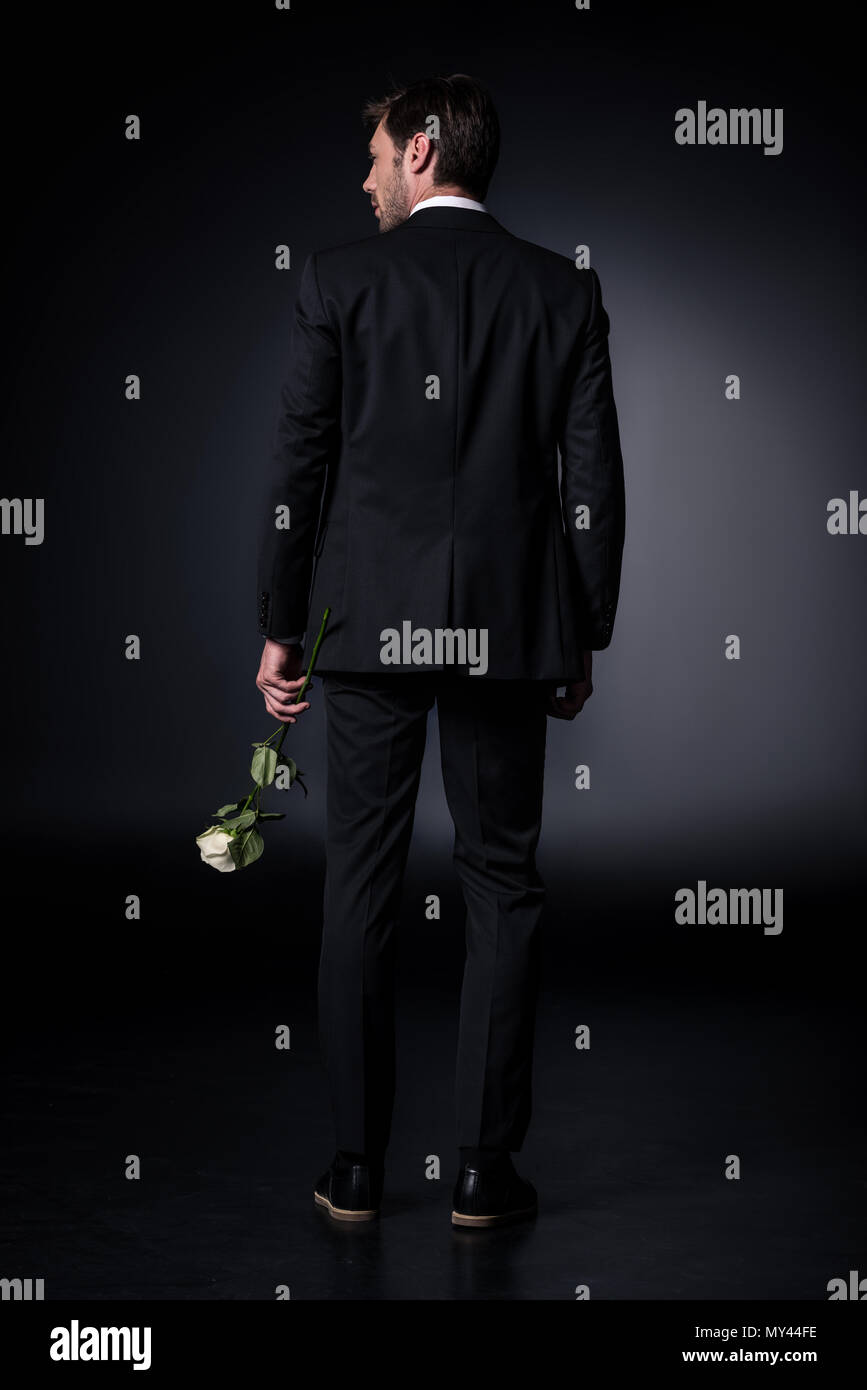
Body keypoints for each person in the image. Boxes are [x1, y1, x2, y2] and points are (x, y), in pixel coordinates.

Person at [255, 73, 625, 1228]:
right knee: (502, 887)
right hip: (509, 634)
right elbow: (593, 490)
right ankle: (480, 1174)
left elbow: (298, 473)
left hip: (364, 633)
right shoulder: (561, 291)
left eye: (375, 156)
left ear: (423, 151)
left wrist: (280, 626)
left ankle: (356, 1170)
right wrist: (584, 631)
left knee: (359, 888)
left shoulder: (338, 282)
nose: (364, 180)